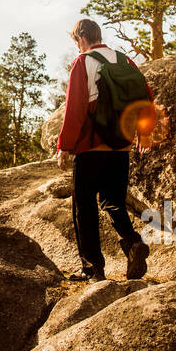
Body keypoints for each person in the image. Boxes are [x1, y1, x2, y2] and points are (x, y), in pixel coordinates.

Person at [56, 18, 151, 281]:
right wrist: (143, 133)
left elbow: (75, 108)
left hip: (91, 146)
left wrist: (64, 145)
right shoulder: (124, 61)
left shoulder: (83, 62)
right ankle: (132, 243)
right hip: (121, 146)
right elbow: (146, 96)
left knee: (84, 205)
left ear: (81, 38)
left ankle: (92, 268)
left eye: (76, 41)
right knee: (113, 201)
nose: (77, 46)